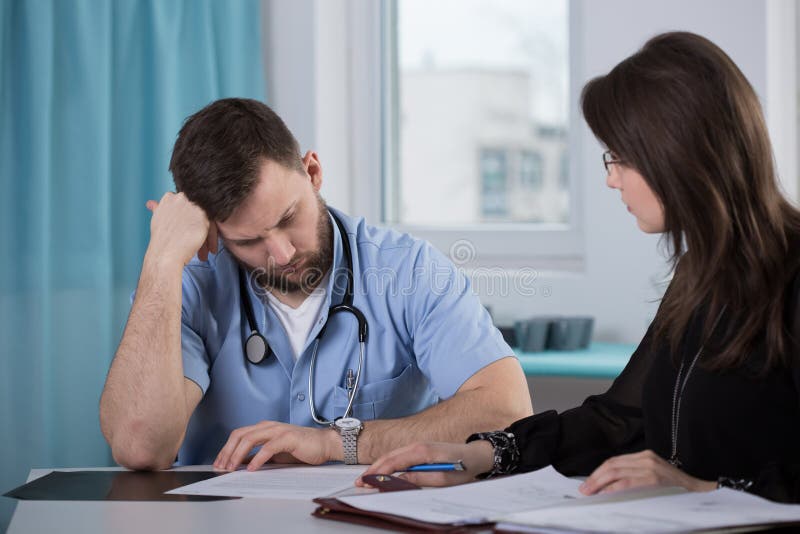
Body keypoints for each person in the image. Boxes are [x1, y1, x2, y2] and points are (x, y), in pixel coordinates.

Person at [359, 31, 800, 503]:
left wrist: (706, 488)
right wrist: (483, 455)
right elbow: (619, 422)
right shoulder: (700, 273)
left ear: (679, 154)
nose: (611, 178)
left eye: (621, 158)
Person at [98, 98, 532, 471]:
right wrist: (161, 260)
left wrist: (336, 444)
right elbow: (141, 448)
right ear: (212, 231)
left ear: (312, 171)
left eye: (288, 218)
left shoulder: (409, 271)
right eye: (248, 241)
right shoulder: (187, 285)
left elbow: (507, 408)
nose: (282, 254)